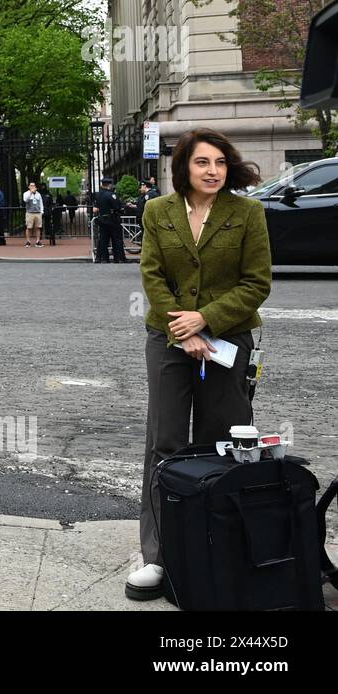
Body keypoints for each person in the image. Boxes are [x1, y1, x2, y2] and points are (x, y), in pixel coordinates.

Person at [127, 128, 269, 600]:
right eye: (202, 162)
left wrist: (204, 320)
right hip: (168, 340)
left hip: (228, 339)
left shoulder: (247, 212)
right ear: (183, 167)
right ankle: (157, 557)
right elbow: (153, 273)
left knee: (222, 441)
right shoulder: (157, 211)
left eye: (220, 163)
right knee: (164, 441)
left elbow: (256, 283)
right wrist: (181, 330)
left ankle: (217, 544)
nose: (212, 171)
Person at [92, 177, 127, 263]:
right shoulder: (112, 195)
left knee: (103, 240)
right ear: (109, 185)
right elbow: (117, 207)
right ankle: (119, 258)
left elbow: (95, 209)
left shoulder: (98, 195)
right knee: (117, 239)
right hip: (112, 220)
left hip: (102, 220)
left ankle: (103, 258)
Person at [22, 182, 44, 247]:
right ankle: (28, 241)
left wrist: (41, 211)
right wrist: (31, 193)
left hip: (38, 213)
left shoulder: (38, 194)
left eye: (34, 186)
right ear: (29, 187)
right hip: (29, 213)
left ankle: (37, 241)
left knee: (38, 227)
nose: (32, 187)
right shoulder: (26, 193)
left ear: (35, 187)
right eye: (31, 186)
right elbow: (25, 200)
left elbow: (41, 203)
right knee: (28, 227)